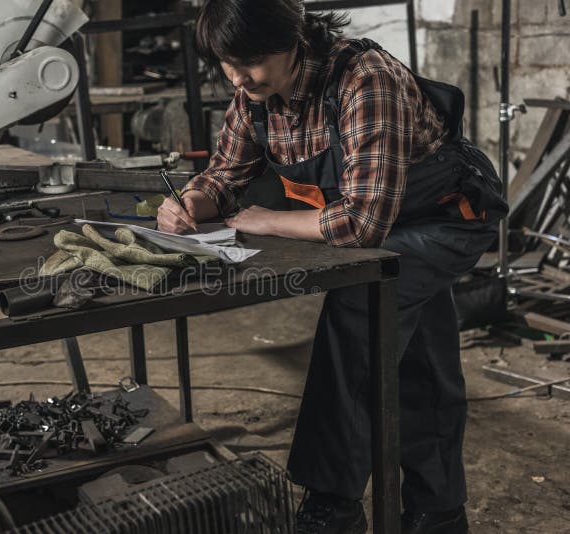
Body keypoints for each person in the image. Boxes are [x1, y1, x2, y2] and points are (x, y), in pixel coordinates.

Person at [156, 1, 508, 533]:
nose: (235, 75)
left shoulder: (365, 82)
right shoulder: (253, 92)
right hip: (383, 221)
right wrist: (189, 201)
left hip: (445, 219)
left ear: (292, 39)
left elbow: (363, 225)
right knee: (418, 350)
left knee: (361, 305)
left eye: (247, 60)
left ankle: (333, 505)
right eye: (225, 62)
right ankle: (439, 510)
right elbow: (225, 174)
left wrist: (268, 221)